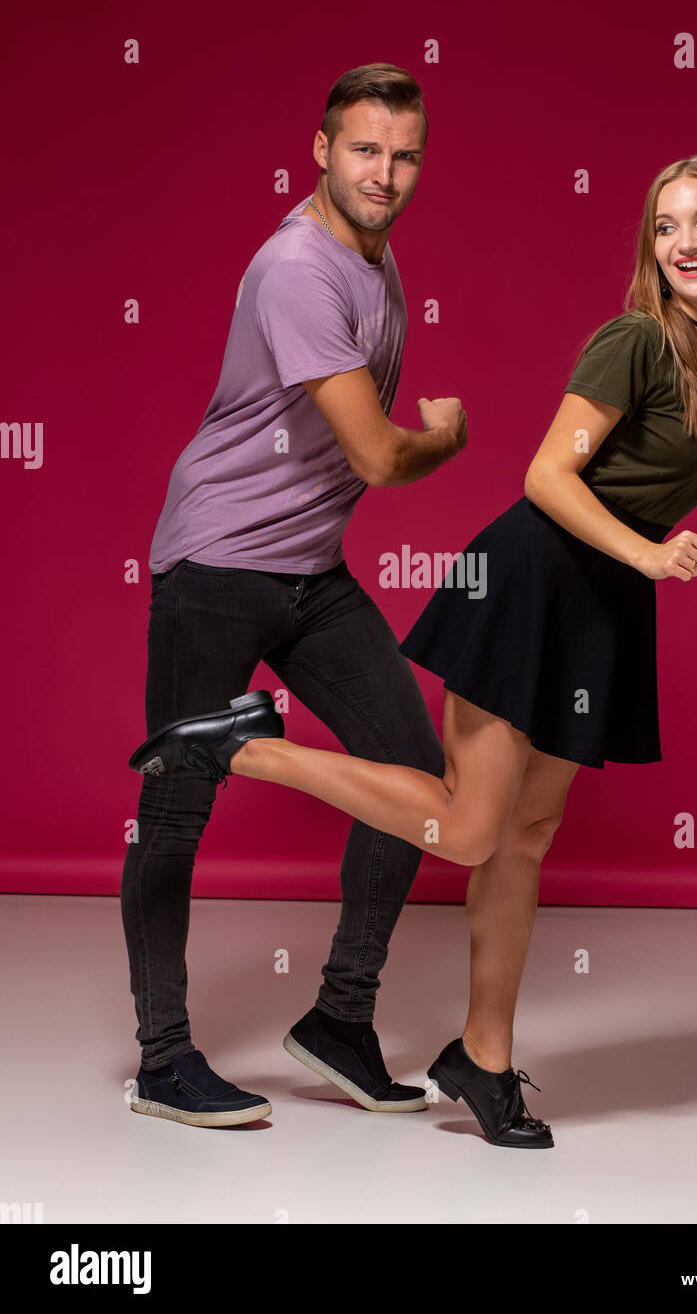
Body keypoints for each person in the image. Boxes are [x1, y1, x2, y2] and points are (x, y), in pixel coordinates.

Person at [130, 154, 697, 1148]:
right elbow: (548, 475)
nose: (684, 242)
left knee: (526, 841)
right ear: (648, 245)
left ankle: (484, 1059)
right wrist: (650, 552)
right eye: (666, 225)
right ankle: (244, 746)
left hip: (600, 603)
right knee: (465, 830)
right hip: (532, 580)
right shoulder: (631, 339)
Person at [122, 62, 472, 1129]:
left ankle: (339, 1021)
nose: (384, 173)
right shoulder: (297, 270)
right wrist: (444, 438)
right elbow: (374, 456)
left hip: (308, 573)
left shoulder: (377, 257)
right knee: (174, 810)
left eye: (403, 153)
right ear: (319, 150)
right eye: (363, 150)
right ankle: (162, 1061)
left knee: (410, 773)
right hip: (218, 565)